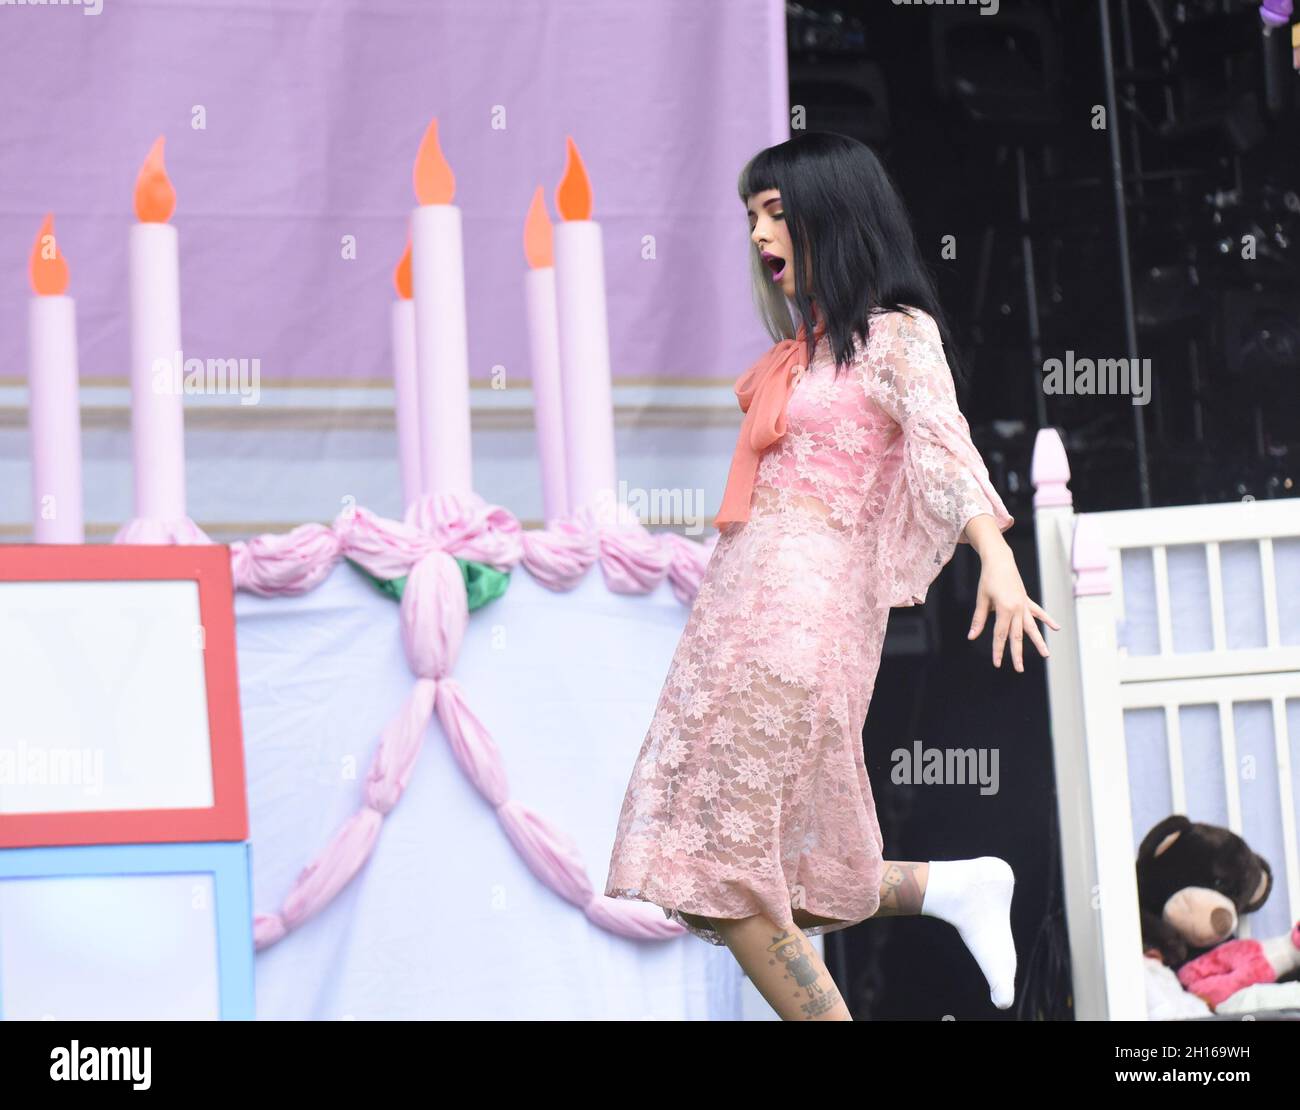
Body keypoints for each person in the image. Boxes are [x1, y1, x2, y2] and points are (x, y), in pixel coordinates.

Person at [604, 131, 1059, 1021]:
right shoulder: (804, 352)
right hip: (736, 605)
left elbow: (943, 450)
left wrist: (997, 556)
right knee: (717, 874)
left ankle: (940, 901)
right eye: (751, 218)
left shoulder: (894, 336)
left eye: (776, 213)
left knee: (723, 862)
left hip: (803, 617)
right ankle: (947, 888)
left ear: (833, 216)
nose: (758, 234)